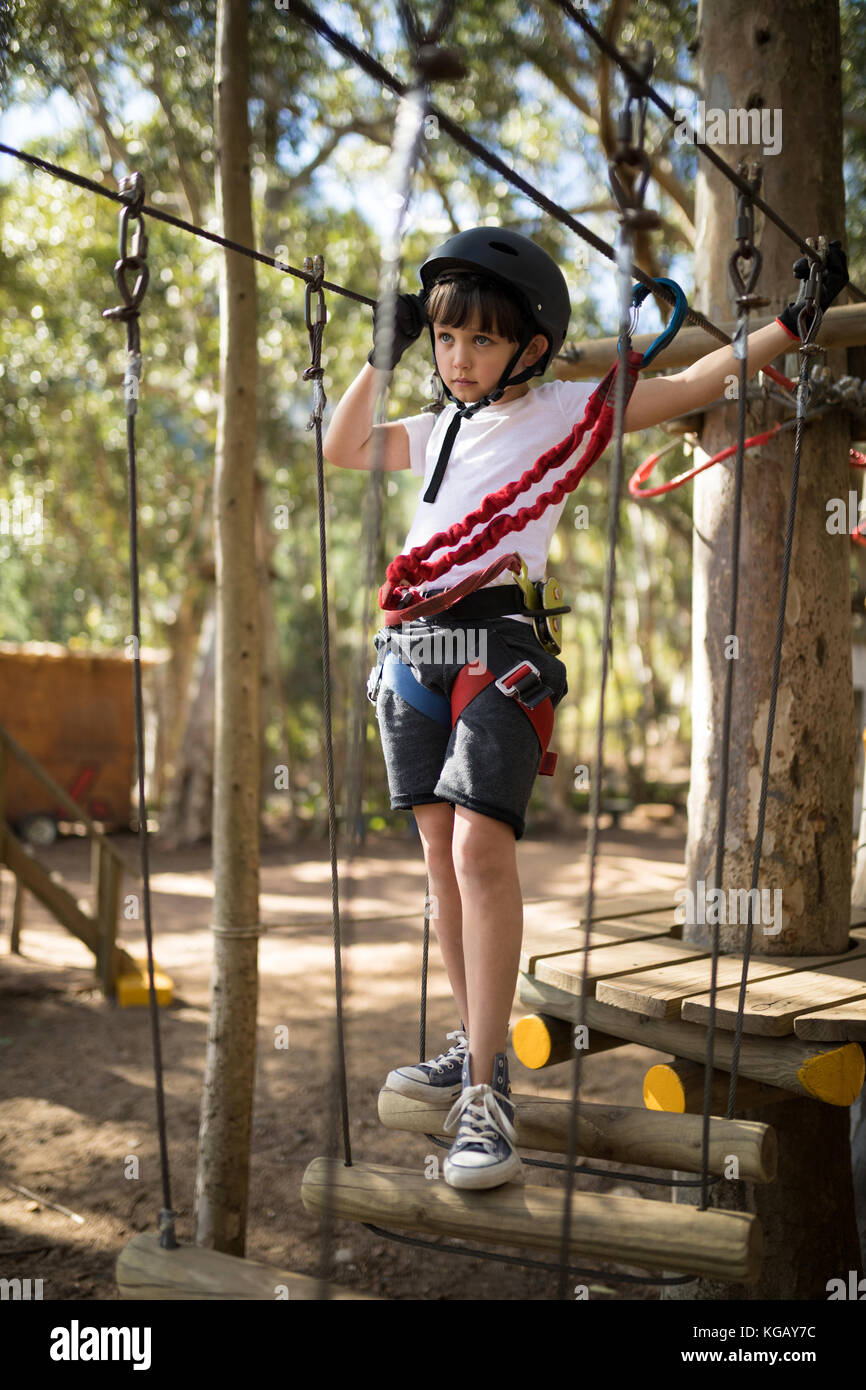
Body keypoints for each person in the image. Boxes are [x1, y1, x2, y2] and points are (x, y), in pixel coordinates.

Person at [322, 227, 848, 1191]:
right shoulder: (436, 427)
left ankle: (489, 1093)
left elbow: (694, 386)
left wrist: (793, 322)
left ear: (529, 347)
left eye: (479, 340)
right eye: (444, 338)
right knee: (441, 860)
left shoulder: (568, 409)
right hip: (410, 652)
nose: (457, 357)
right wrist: (378, 350)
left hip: (499, 647)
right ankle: (472, 1045)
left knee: (483, 850)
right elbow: (342, 446)